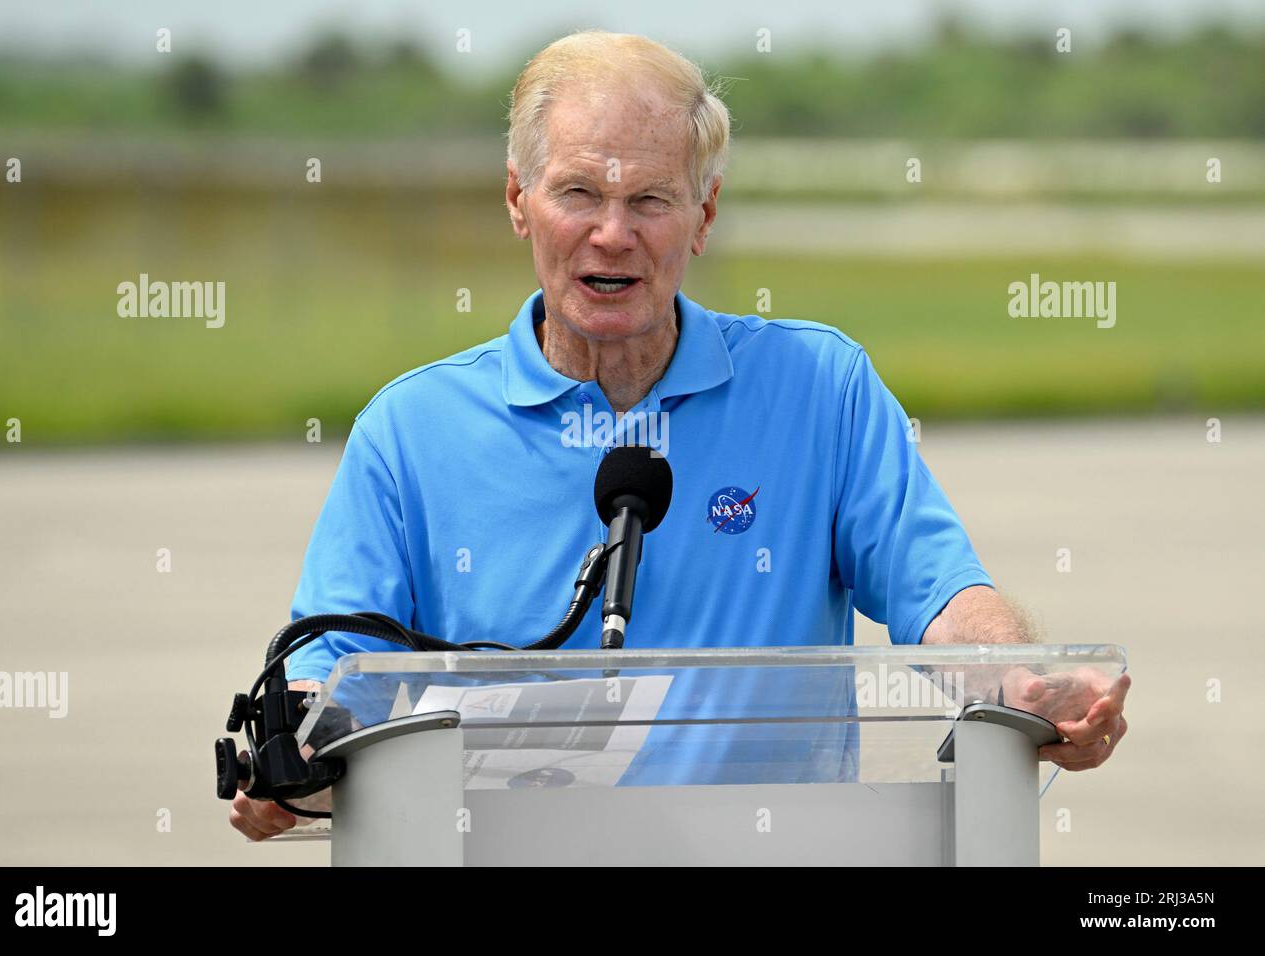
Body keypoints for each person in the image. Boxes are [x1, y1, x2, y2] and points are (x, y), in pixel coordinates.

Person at [229, 30, 1129, 842]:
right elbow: (331, 675)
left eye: (652, 199)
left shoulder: (821, 389)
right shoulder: (408, 430)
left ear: (704, 216)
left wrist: (1020, 682)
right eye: (578, 191)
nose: (612, 234)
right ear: (518, 200)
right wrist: (287, 757)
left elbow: (940, 598)